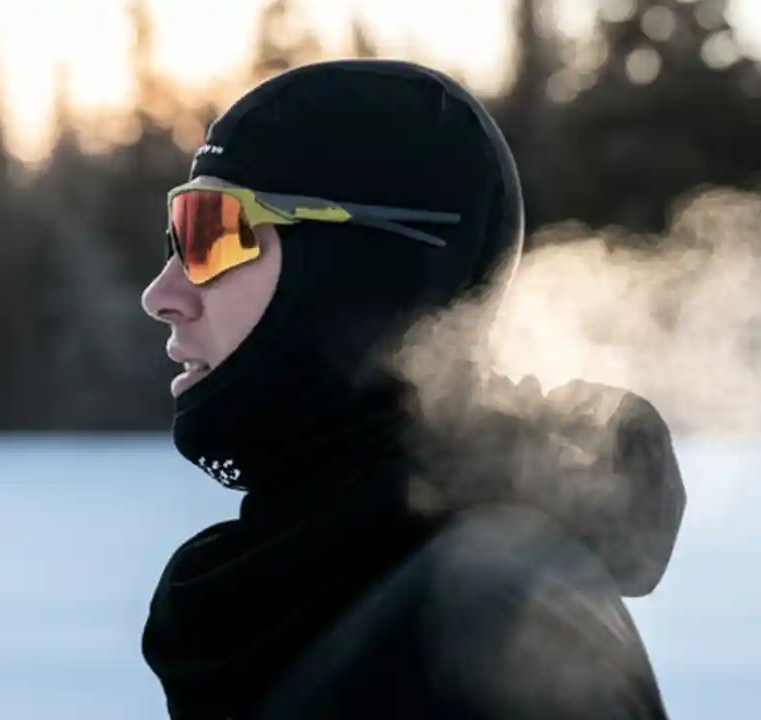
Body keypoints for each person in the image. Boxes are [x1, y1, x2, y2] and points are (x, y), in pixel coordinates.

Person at [139, 59, 686, 719]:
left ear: (363, 278)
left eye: (212, 233)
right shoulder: (288, 589)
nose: (162, 295)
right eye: (179, 235)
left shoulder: (499, 623)